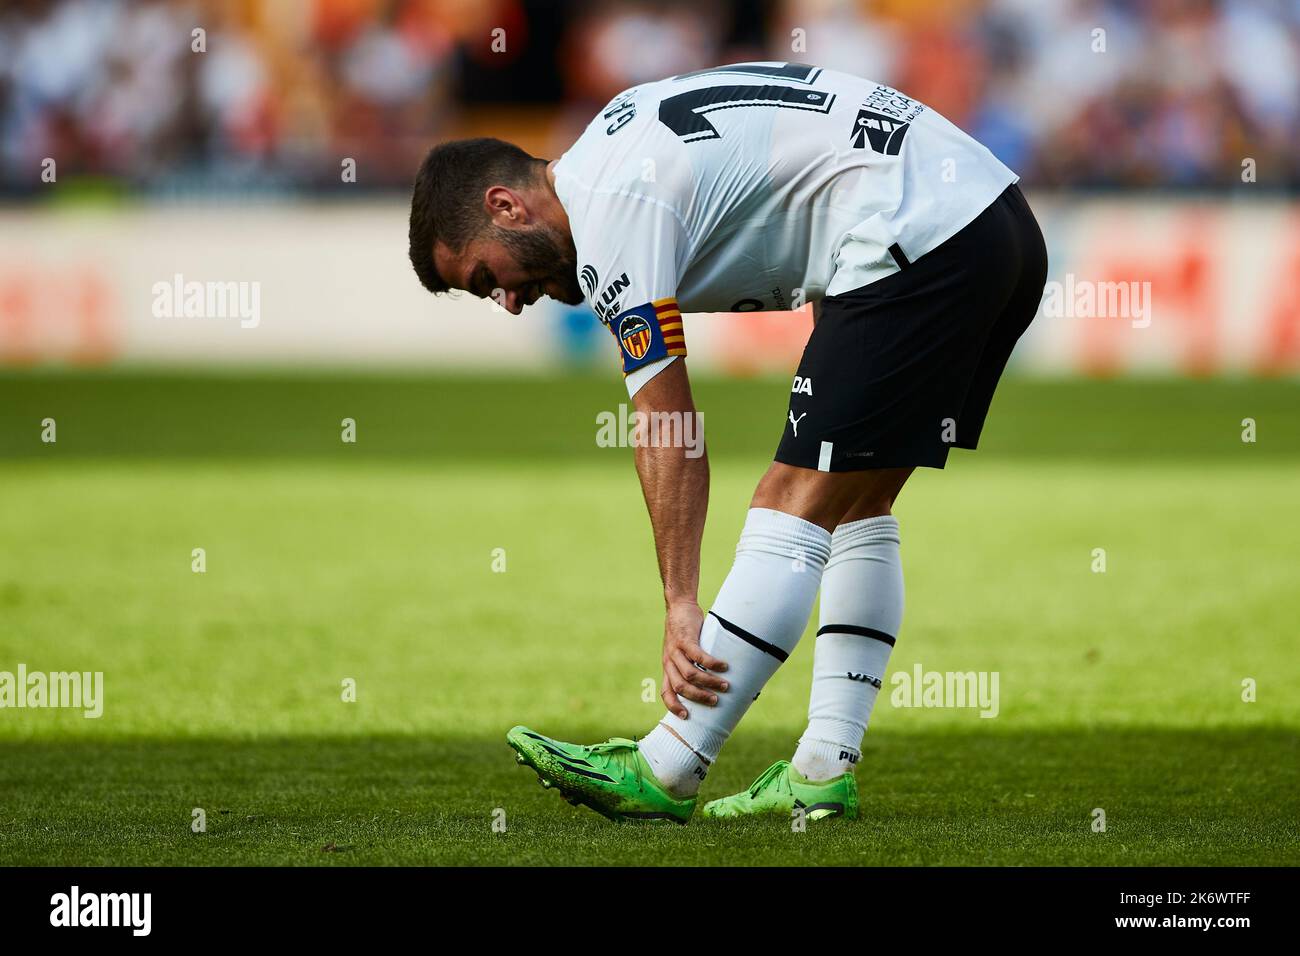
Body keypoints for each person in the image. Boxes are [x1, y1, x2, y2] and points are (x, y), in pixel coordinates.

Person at [408, 62, 1048, 823]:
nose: (509, 303)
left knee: (790, 501)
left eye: (488, 279)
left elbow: (668, 424)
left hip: (918, 237)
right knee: (856, 503)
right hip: (992, 223)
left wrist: (681, 602)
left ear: (506, 205)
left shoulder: (610, 210)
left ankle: (668, 765)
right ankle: (822, 767)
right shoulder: (617, 139)